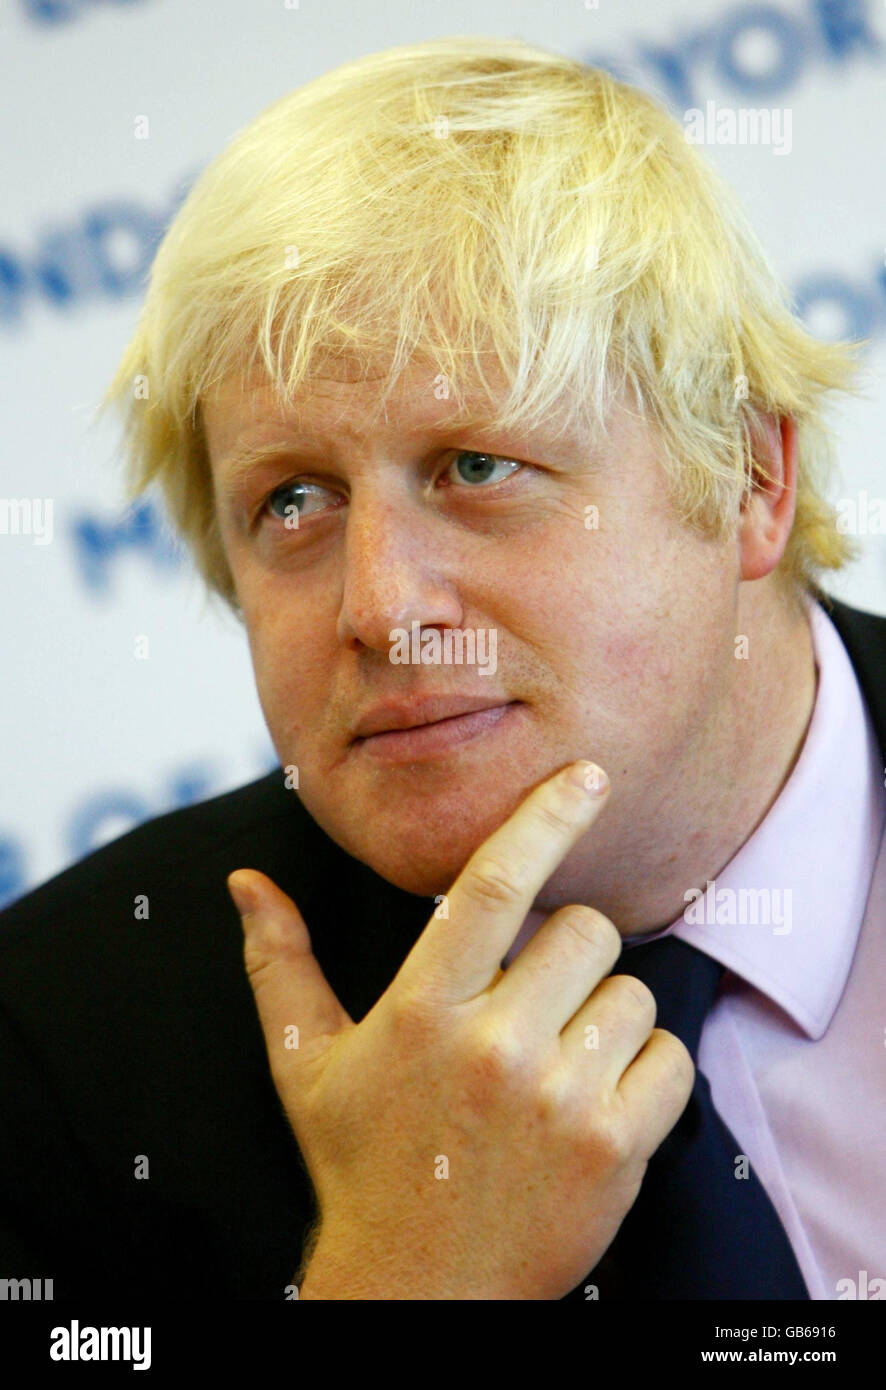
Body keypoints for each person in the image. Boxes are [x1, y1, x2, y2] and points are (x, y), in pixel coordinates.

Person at [1, 35, 883, 1302]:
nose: (377, 607)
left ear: (746, 476)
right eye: (293, 500)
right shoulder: (51, 1051)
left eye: (476, 468)